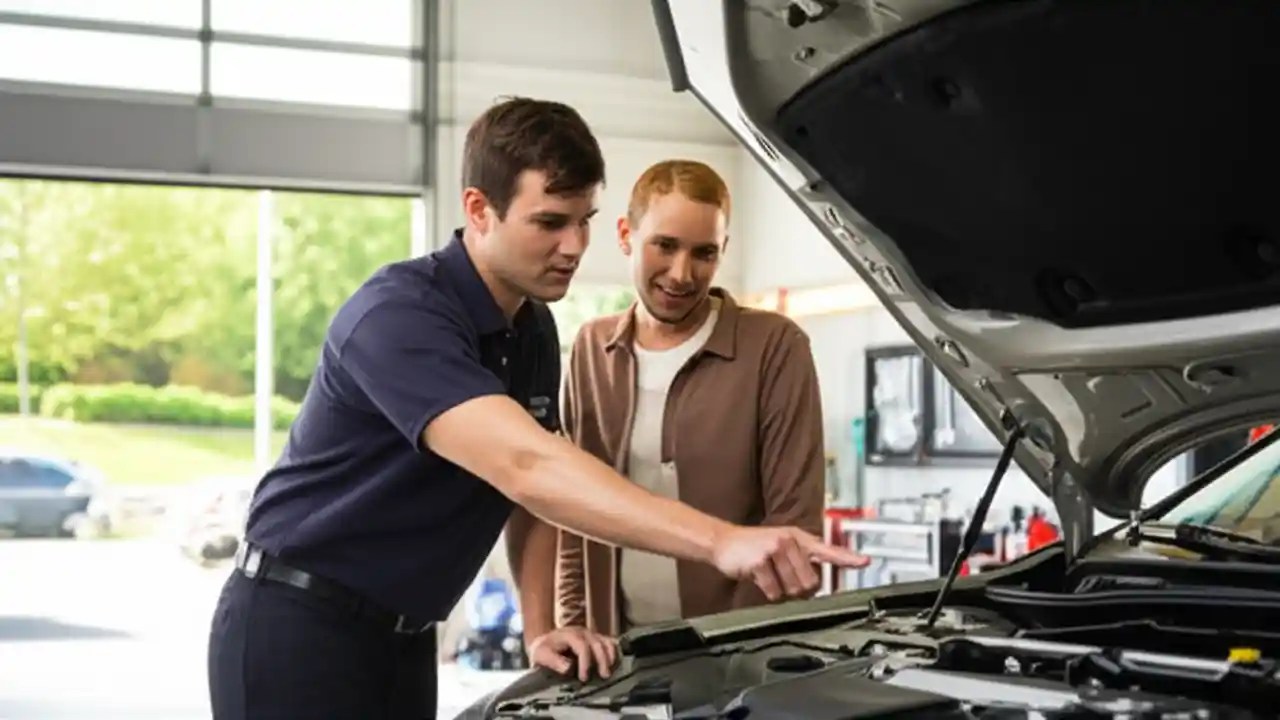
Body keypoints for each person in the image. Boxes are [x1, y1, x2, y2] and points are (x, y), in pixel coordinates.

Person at [206, 97, 866, 720]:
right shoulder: (398, 316)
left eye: (582, 220)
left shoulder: (532, 330)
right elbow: (528, 466)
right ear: (480, 209)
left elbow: (526, 500)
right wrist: (721, 540)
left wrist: (541, 627)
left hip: (406, 637)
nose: (576, 247)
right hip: (295, 623)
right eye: (550, 222)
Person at [539, 159, 833, 639]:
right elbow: (575, 513)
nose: (681, 274)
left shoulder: (775, 347)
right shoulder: (592, 349)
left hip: (738, 652)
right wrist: (573, 625)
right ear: (625, 235)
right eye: (665, 246)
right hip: (617, 651)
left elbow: (795, 526)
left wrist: (755, 652)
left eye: (704, 253)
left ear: (724, 252)